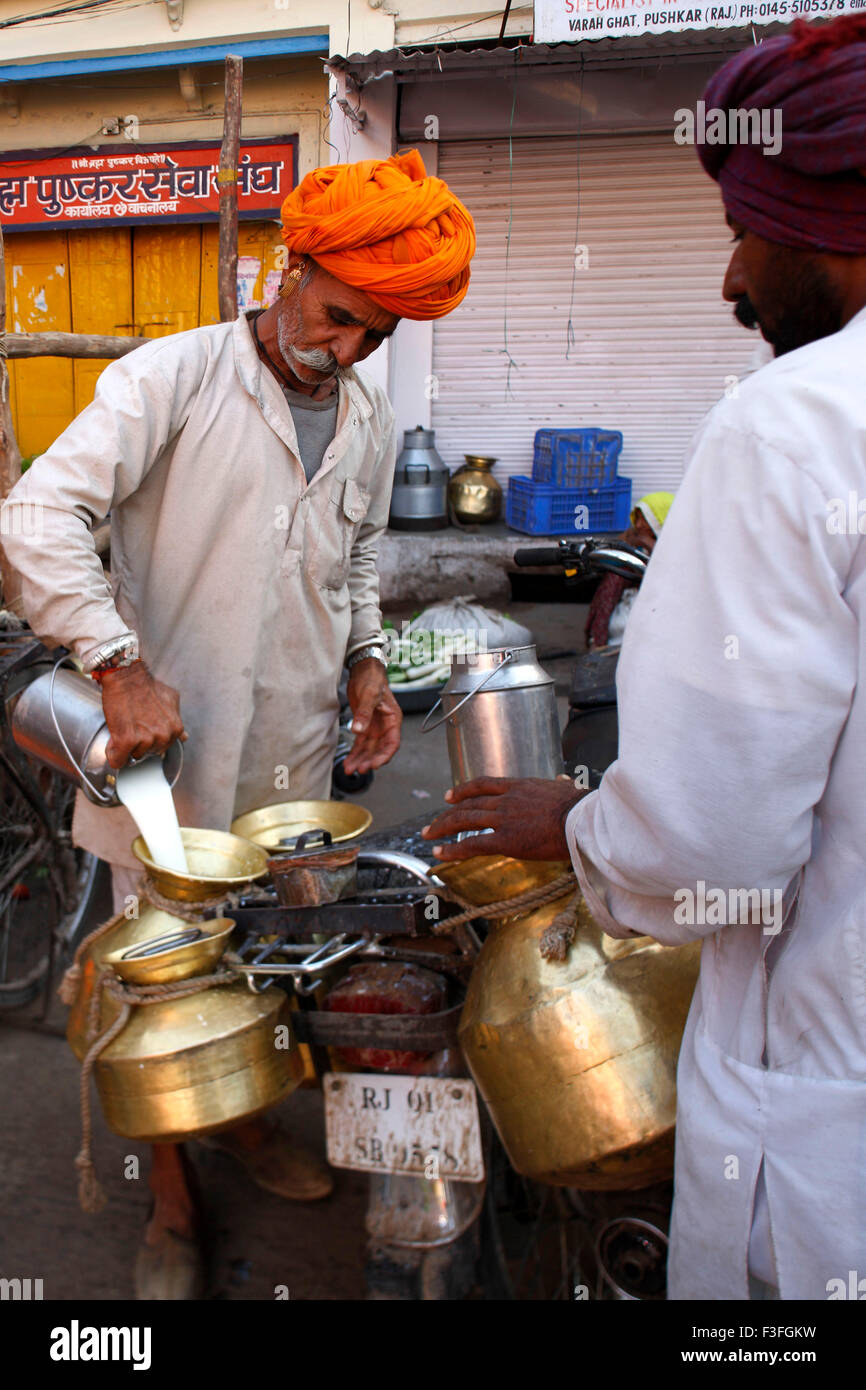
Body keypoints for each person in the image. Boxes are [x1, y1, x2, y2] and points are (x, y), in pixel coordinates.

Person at [423, 15, 866, 1300]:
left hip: (823, 1120)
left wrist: (577, 826)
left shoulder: (791, 425)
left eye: (745, 227)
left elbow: (713, 844)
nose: (730, 277)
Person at [0, 149, 475, 1299]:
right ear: (286, 268)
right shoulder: (170, 378)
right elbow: (35, 518)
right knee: (158, 982)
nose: (347, 348)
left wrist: (364, 660)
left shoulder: (363, 412)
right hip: (162, 769)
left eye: (375, 333)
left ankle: (247, 1123)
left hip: (291, 762)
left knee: (266, 967)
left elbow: (355, 556)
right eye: (336, 316)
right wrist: (116, 664)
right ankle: (167, 1198)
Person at [585, 491, 674, 648]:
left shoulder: (676, 543)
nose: (638, 524)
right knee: (614, 578)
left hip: (661, 602)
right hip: (630, 594)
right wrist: (625, 543)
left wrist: (647, 542)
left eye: (645, 519)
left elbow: (667, 571)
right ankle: (597, 640)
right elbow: (606, 558)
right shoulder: (634, 535)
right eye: (637, 518)